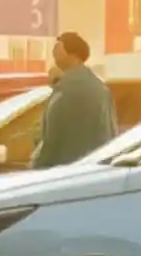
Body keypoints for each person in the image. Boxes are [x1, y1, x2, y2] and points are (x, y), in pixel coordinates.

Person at [31, 31, 118, 168]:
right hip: (96, 169)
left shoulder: (66, 91)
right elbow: (110, 131)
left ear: (71, 53)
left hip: (65, 172)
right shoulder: (99, 88)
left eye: (58, 48)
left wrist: (36, 167)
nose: (54, 53)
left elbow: (50, 141)